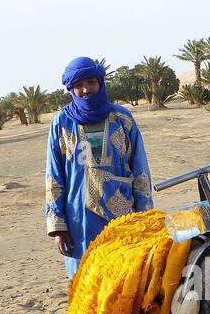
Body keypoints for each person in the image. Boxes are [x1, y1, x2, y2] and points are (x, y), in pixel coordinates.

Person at [45, 57, 153, 277]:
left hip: (122, 216)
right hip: (79, 222)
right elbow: (54, 176)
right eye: (79, 85)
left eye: (91, 82)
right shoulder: (61, 123)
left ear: (100, 83)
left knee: (125, 282)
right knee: (86, 286)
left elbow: (140, 170)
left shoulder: (123, 119)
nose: (86, 90)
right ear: (71, 89)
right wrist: (58, 226)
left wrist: (145, 217)